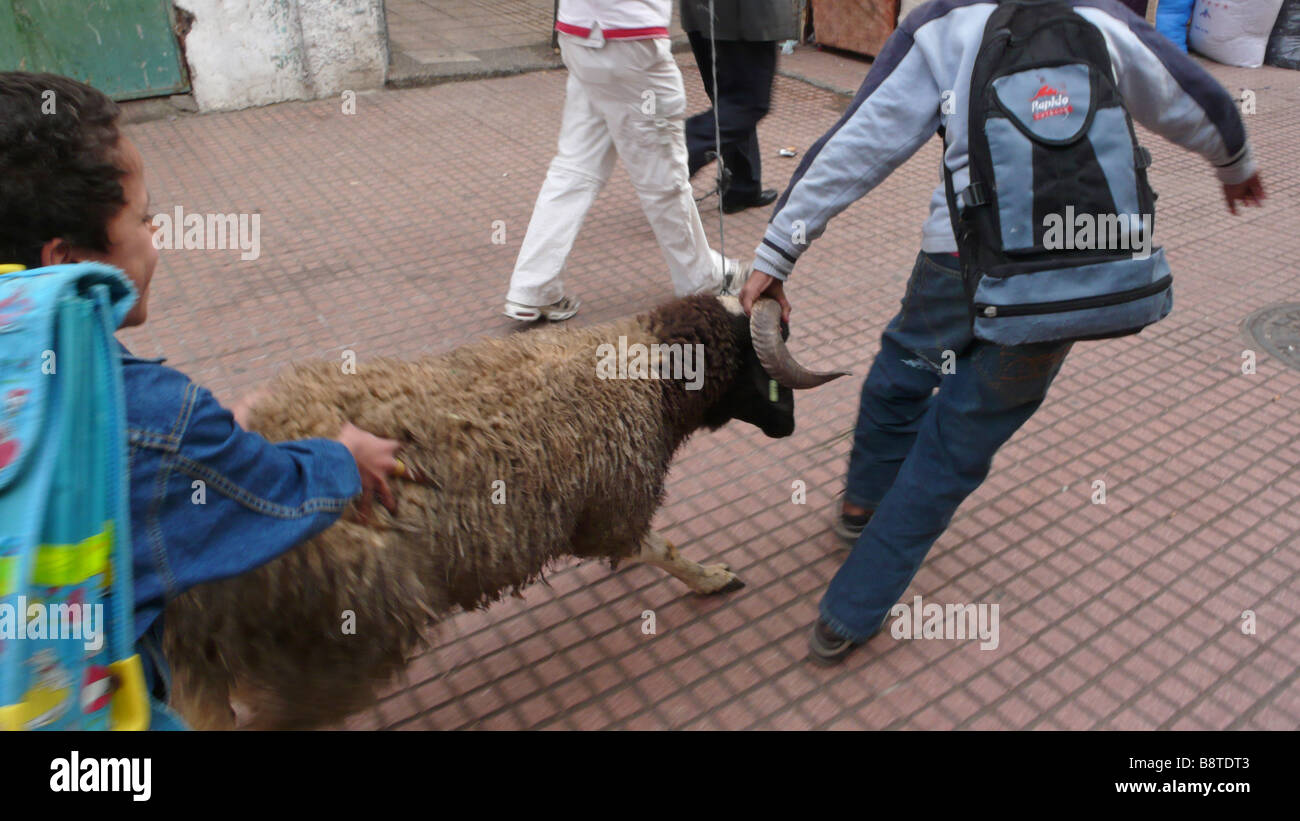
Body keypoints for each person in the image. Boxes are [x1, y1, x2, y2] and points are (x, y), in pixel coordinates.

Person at [736, 0, 1266, 664]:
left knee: (901, 374)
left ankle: (862, 506)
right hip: (1068, 279)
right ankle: (850, 610)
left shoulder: (943, 23)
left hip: (955, 263)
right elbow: (1195, 97)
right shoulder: (1099, 18)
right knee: (955, 446)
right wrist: (1236, 164)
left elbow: (860, 140)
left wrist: (778, 253)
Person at [0, 72, 405, 724]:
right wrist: (342, 457)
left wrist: (205, 443)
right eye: (141, 217)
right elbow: (266, 494)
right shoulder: (156, 416)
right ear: (70, 260)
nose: (156, 233)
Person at [504, 0, 742, 323]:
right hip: (631, 41)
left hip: (579, 34)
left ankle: (532, 287)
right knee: (662, 177)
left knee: (575, 167)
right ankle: (701, 278)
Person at [680, 0, 797, 214]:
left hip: (701, 11)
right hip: (742, 17)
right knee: (746, 104)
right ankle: (678, 152)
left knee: (728, 104)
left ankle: (742, 186)